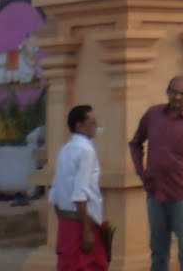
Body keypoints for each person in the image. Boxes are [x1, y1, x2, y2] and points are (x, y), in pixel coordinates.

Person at [130, 76, 183, 271]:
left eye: (182, 93)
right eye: (174, 91)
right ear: (167, 92)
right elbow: (135, 143)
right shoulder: (153, 115)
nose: (177, 97)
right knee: (158, 251)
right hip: (156, 193)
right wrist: (142, 172)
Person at [51, 104, 106, 271]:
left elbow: (55, 191)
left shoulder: (65, 149)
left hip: (65, 217)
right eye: (91, 122)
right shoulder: (86, 150)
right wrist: (87, 230)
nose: (95, 125)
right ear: (79, 126)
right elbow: (80, 193)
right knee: (87, 265)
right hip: (82, 218)